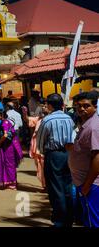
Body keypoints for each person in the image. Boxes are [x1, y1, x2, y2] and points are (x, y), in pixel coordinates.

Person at [36, 93, 75, 227]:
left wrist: (43, 152)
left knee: (55, 188)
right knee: (68, 186)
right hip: (68, 153)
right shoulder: (69, 118)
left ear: (50, 105)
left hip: (53, 155)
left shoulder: (47, 120)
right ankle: (69, 217)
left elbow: (40, 141)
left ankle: (59, 218)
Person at [68, 91, 99, 227]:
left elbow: (97, 157)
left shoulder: (93, 127)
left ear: (95, 107)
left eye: (86, 106)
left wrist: (87, 185)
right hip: (85, 183)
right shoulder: (86, 124)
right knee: (88, 220)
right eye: (78, 106)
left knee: (93, 222)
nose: (81, 109)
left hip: (91, 185)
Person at [0, 109, 23, 190]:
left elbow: (5, 135)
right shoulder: (9, 122)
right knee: (11, 164)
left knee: (8, 164)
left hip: (7, 147)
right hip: (11, 145)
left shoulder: (4, 123)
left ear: (1, 115)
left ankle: (11, 184)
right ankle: (12, 182)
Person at [28, 100, 48, 189]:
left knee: (45, 167)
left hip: (46, 148)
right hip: (38, 148)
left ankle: (47, 185)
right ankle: (44, 185)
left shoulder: (50, 119)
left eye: (45, 106)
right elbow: (28, 119)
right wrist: (24, 114)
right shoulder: (39, 119)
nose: (43, 107)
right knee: (40, 166)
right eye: (42, 106)